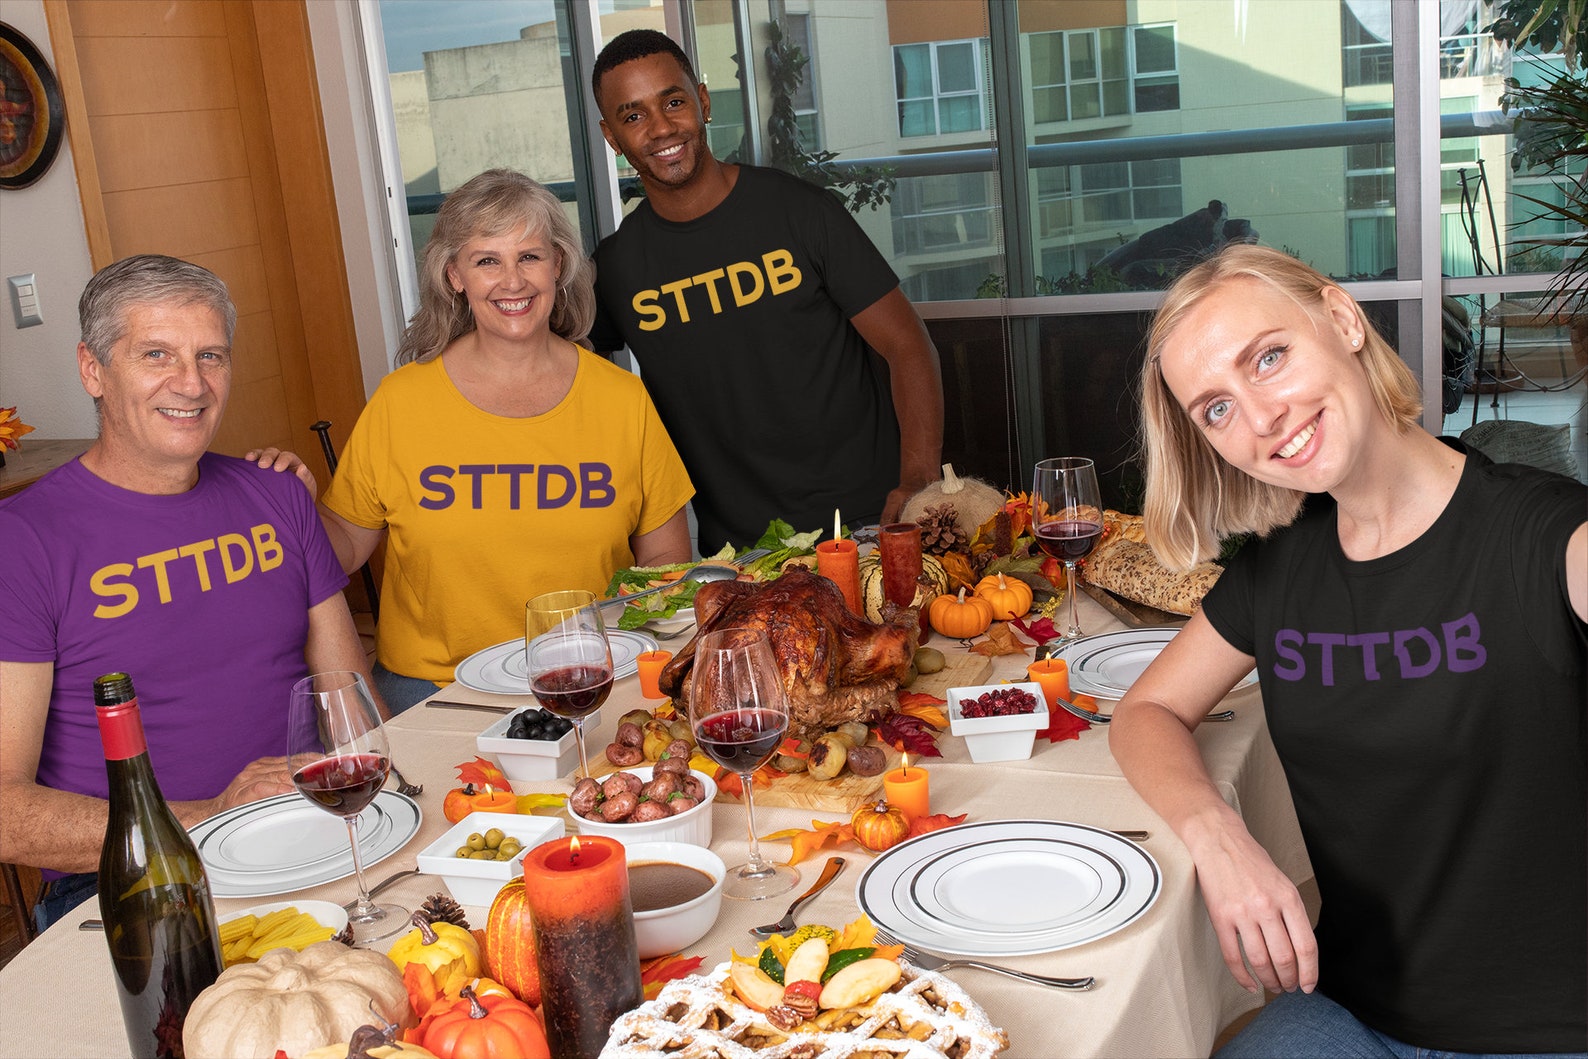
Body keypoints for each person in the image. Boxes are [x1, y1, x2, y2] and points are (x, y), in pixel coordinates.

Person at [1110, 244, 1587, 1055]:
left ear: (1340, 318)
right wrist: (1217, 835)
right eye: (1216, 408)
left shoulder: (1542, 535)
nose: (1261, 418)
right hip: (1351, 1016)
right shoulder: (1281, 564)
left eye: (1268, 357)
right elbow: (1147, 710)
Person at [0, 255, 377, 932]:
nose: (192, 383)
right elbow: (4, 811)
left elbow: (353, 700)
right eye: (156, 354)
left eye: (211, 355)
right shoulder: (23, 541)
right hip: (137, 884)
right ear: (93, 370)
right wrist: (215, 814)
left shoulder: (278, 495)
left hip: (307, 840)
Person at [316, 169, 694, 712]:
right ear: (454, 276)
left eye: (530, 256)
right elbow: (344, 546)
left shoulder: (621, 398)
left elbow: (664, 553)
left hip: (588, 680)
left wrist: (631, 636)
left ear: (558, 265)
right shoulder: (401, 401)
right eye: (487, 260)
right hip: (434, 692)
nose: (512, 281)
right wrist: (275, 505)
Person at [587, 29, 944, 554]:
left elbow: (907, 345)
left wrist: (917, 481)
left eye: (674, 101)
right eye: (633, 115)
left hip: (868, 525)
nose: (661, 128)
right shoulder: (615, 269)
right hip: (744, 555)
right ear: (611, 136)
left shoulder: (799, 212)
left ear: (703, 102)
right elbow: (553, 373)